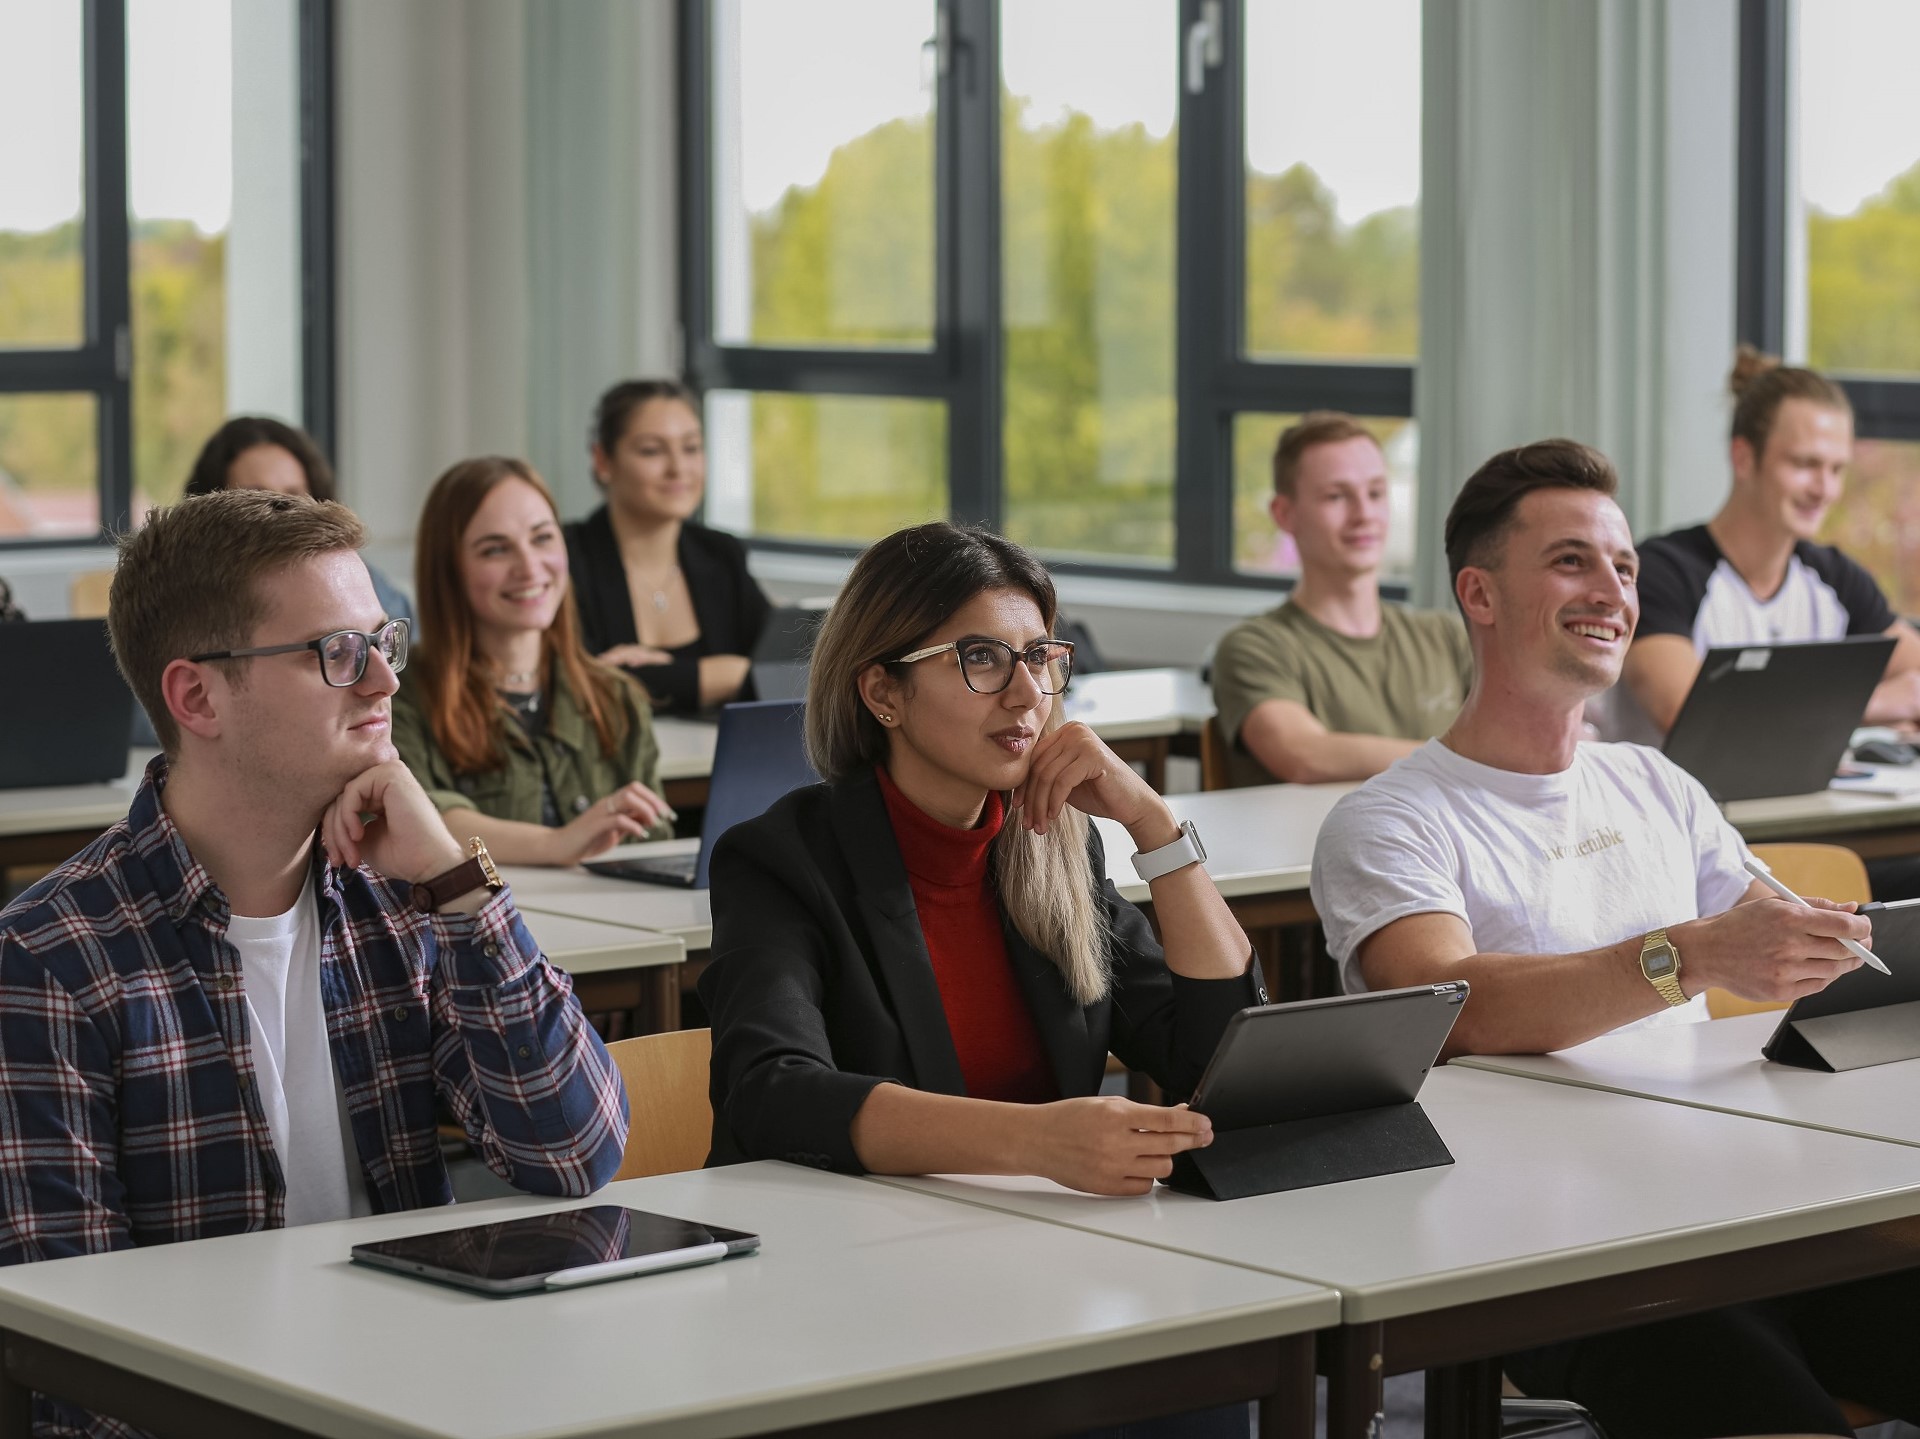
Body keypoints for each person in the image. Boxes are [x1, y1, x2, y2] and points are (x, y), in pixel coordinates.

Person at [1310, 439, 1920, 1438]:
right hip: (1562, 1253)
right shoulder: (1390, 819)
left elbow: (1773, 931)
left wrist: (1831, 947)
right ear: (1480, 593)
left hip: (1737, 1208)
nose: (1610, 589)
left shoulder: (1654, 780)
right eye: (1570, 561)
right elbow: (1444, 1006)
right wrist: (1686, 953)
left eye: (1624, 566)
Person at [0, 489, 627, 1438]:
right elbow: (69, 1363)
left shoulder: (402, 895)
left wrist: (461, 882)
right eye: (337, 653)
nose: (382, 683)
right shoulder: (49, 957)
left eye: (385, 641)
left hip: (422, 1395)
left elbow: (573, 1155)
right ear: (196, 695)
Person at [701, 521, 1265, 1186]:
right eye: (983, 658)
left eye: (1038, 658)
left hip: (1031, 1256)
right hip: (851, 1257)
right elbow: (773, 1092)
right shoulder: (781, 861)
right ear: (883, 692)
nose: (1027, 694)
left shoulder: (1053, 845)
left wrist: (1157, 827)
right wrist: (1035, 1141)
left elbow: (1224, 1069)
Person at [1617, 346, 1920, 741]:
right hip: (1677, 804)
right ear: (1743, 458)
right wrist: (1873, 705)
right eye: (1804, 464)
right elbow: (1694, 720)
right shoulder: (1660, 573)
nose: (1824, 489)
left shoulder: (1834, 578)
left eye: (1836, 469)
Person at [391, 457, 673, 866]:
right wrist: (559, 843)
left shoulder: (616, 695)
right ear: (448, 570)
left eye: (542, 539)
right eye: (495, 549)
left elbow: (653, 843)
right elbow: (420, 820)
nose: (528, 567)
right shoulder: (397, 694)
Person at [1211, 412, 1472, 786]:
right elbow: (1303, 754)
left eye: (1376, 493)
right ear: (1284, 514)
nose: (1364, 514)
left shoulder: (1448, 636)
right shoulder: (1254, 647)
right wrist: (1470, 757)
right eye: (1337, 496)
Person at [565, 379, 772, 715]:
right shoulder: (564, 559)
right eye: (652, 451)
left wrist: (663, 675)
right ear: (603, 461)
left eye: (691, 448)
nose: (678, 469)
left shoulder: (720, 554)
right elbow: (580, 685)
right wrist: (723, 675)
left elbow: (778, 669)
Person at [185, 415, 414, 628]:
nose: (280, 512)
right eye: (256, 496)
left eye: (293, 495)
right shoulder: (189, 597)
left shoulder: (367, 589)